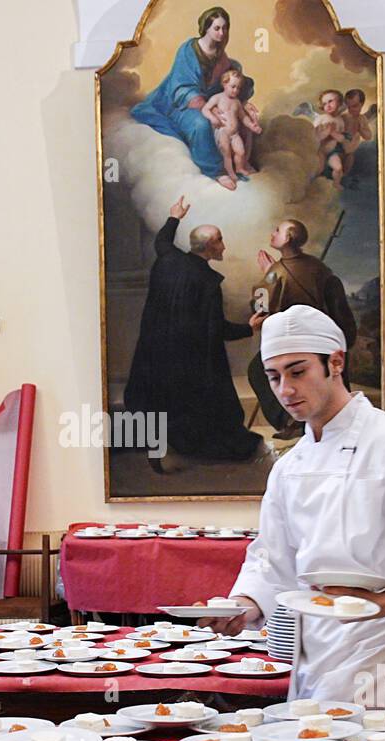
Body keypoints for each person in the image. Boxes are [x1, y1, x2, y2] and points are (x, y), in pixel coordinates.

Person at [201, 305, 385, 711]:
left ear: (336, 362)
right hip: (313, 648)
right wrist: (242, 606)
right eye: (274, 377)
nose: (285, 390)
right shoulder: (290, 465)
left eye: (298, 372)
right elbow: (272, 558)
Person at [123, 196, 263, 464]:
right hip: (186, 362)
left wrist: (175, 216)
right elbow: (217, 329)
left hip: (154, 356)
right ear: (210, 248)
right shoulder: (207, 282)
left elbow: (162, 241)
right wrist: (249, 328)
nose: (224, 244)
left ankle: (160, 442)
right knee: (213, 410)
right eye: (220, 240)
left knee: (160, 401)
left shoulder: (168, 258)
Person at [246, 219, 357, 439]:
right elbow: (338, 308)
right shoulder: (319, 267)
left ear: (288, 239)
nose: (273, 233)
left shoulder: (276, 271)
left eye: (277, 230)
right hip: (323, 341)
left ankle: (288, 420)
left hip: (294, 341)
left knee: (258, 371)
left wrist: (267, 276)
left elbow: (260, 306)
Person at [130, 7, 254, 191]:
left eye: (225, 28)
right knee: (201, 124)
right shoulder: (189, 50)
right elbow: (182, 88)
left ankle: (240, 165)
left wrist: (242, 104)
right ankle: (216, 171)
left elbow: (227, 85)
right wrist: (210, 110)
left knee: (237, 119)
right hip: (179, 105)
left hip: (208, 103)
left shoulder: (221, 56)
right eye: (217, 28)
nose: (222, 33)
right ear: (206, 28)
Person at [201, 69, 262, 181]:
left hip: (234, 133)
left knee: (240, 151)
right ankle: (230, 173)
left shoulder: (237, 102)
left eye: (238, 88)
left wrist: (252, 126)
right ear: (224, 84)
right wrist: (212, 118)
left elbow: (243, 117)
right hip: (222, 132)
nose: (235, 90)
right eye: (233, 86)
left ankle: (239, 168)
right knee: (227, 153)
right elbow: (205, 109)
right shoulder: (217, 98)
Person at [313, 89, 348, 187]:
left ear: (340, 102)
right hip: (319, 151)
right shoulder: (321, 118)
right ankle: (312, 185)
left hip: (333, 151)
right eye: (324, 104)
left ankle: (336, 184)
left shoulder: (340, 120)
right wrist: (326, 132)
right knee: (318, 169)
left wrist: (332, 132)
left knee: (338, 168)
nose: (327, 105)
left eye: (330, 101)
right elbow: (313, 136)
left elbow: (341, 139)